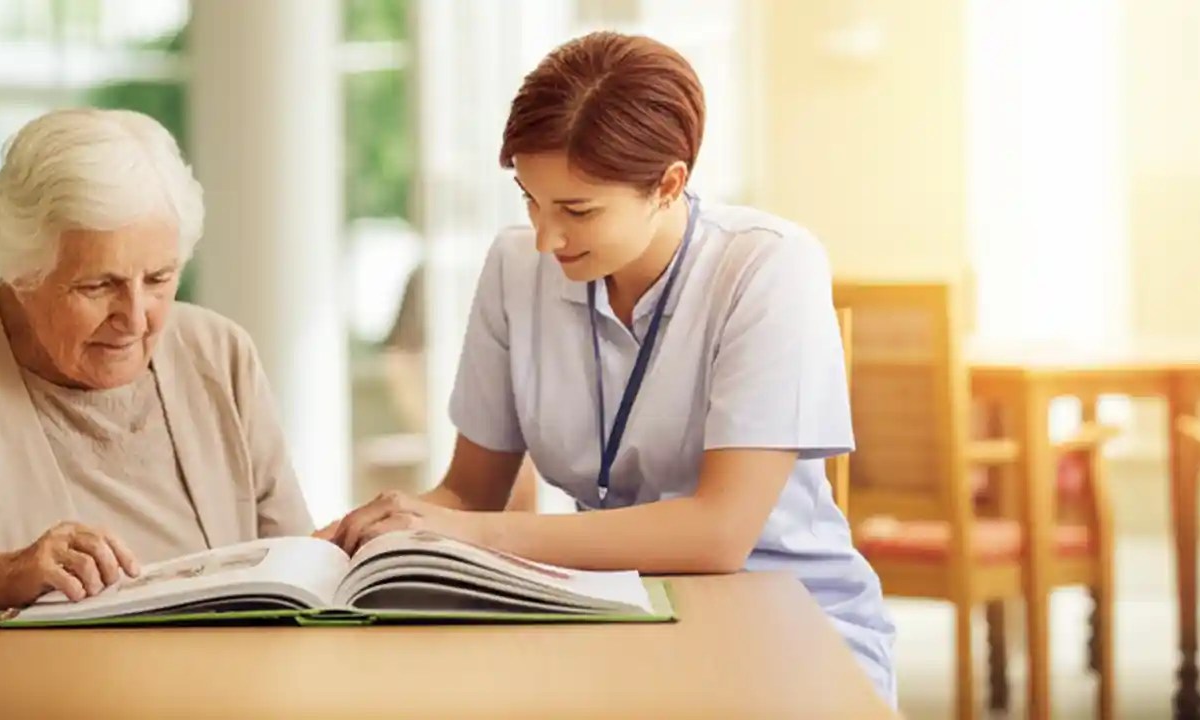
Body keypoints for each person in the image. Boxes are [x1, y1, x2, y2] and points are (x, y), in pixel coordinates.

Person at [323, 31, 896, 702]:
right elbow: (469, 494)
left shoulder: (767, 265)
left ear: (669, 184)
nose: (546, 237)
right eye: (530, 199)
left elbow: (718, 534)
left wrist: (471, 536)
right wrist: (358, 539)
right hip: (611, 613)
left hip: (785, 617)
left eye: (578, 210)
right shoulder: (515, 268)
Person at [0, 108, 314, 613]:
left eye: (160, 279)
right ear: (22, 273)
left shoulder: (219, 353)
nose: (137, 319)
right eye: (99, 285)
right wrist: (0, 574)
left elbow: (297, 567)